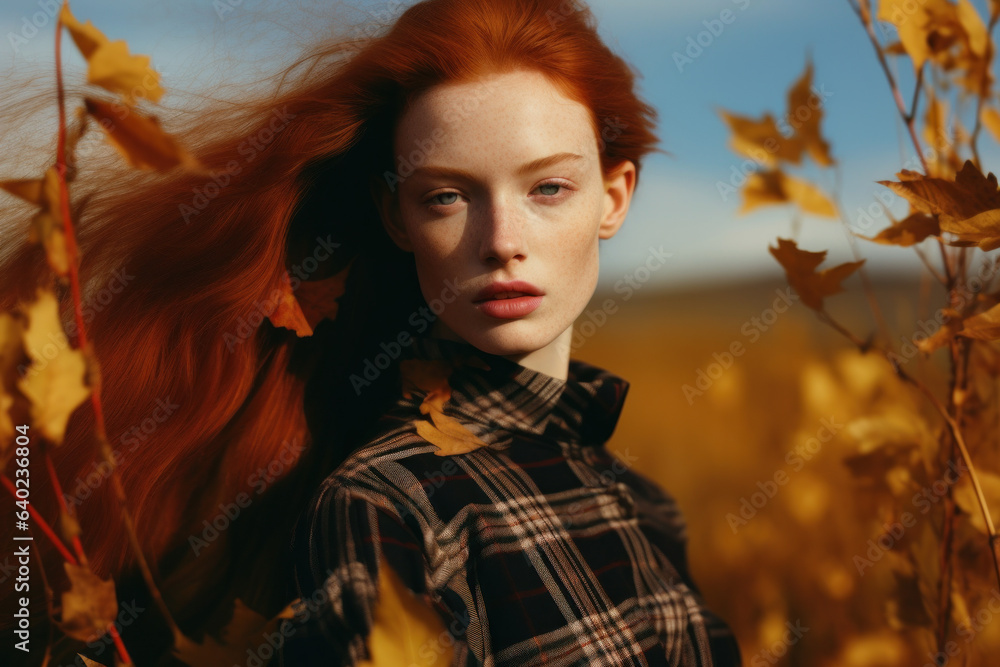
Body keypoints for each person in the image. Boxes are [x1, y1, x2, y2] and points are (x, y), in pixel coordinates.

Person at [0, 0, 739, 665]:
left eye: (549, 187)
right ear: (398, 220)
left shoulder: (642, 501)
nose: (501, 239)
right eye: (447, 197)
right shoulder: (387, 503)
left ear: (613, 198)